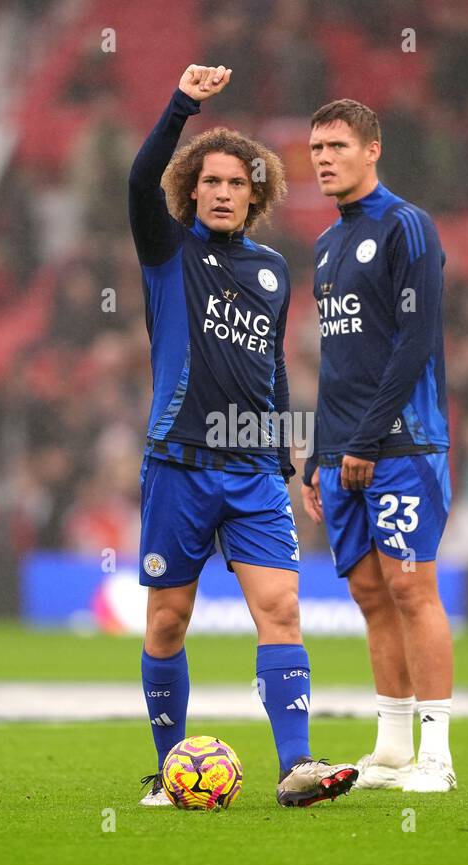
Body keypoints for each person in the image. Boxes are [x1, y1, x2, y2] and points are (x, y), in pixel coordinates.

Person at [130, 65, 357, 807]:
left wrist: (298, 454)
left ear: (255, 195)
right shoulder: (167, 252)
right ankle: (171, 773)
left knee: (283, 609)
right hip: (179, 465)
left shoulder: (270, 271)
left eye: (238, 183)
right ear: (190, 190)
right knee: (168, 621)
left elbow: (272, 369)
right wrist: (181, 105)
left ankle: (297, 767)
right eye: (211, 181)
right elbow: (139, 180)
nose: (224, 191)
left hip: (254, 472)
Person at [301, 99, 456, 792]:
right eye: (314, 148)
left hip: (402, 443)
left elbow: (413, 341)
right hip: (344, 450)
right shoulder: (327, 246)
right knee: (368, 592)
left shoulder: (407, 227)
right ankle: (392, 749)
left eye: (336, 144)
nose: (323, 158)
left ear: (373, 149)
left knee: (410, 586)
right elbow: (340, 362)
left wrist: (365, 438)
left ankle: (438, 756)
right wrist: (319, 452)